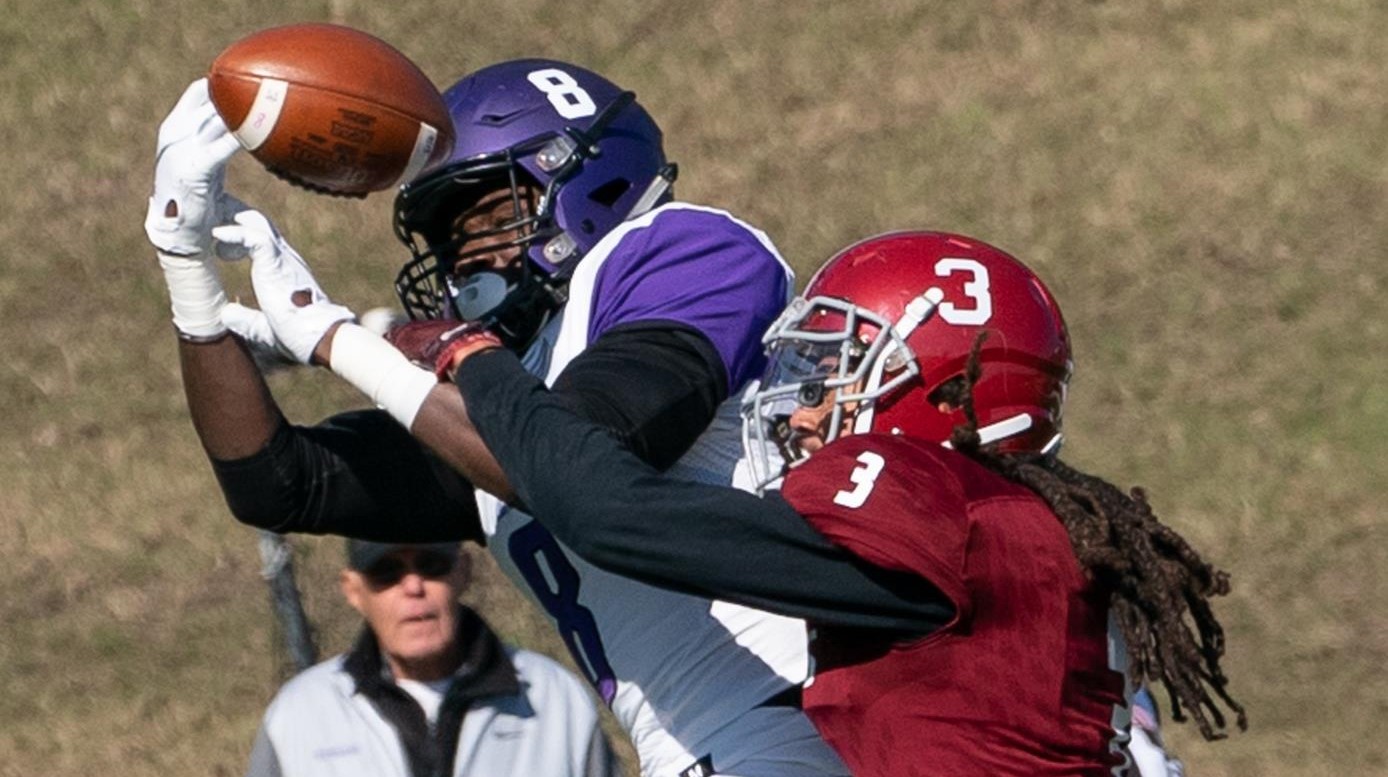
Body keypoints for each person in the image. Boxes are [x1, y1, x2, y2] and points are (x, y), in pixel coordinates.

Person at [145, 63, 849, 777]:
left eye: (493, 214)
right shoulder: (492, 401)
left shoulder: (680, 249)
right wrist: (189, 274)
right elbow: (277, 481)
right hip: (700, 750)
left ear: (588, 180)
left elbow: (583, 452)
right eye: (451, 239)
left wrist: (338, 339)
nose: (469, 255)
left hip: (811, 716)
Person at [432, 230, 1249, 776]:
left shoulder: (948, 519)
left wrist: (470, 361)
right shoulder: (1025, 526)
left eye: (832, 372)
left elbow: (629, 520)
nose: (800, 408)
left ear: (945, 385)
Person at [245, 540, 614, 777]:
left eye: (431, 564)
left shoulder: (555, 700)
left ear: (464, 570)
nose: (413, 587)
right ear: (353, 589)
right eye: (386, 572)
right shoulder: (299, 715)